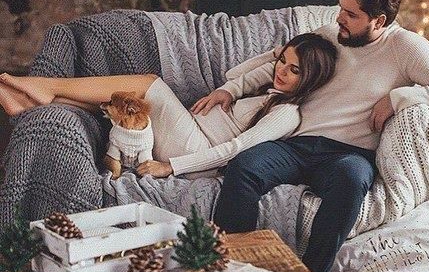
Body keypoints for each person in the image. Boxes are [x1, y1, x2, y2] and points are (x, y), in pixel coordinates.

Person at [196, 0, 429, 272]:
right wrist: (230, 90)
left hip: (349, 155)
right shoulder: (330, 35)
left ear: (378, 21)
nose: (340, 17)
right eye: (341, 7)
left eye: (351, 14)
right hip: (298, 143)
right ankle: (233, 271)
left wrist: (399, 97)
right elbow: (280, 61)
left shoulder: (406, 48)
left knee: (352, 179)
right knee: (244, 166)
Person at [0, 33, 338, 178]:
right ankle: (33, 102)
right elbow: (235, 73)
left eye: (295, 71)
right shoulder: (271, 90)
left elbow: (235, 150)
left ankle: (46, 86)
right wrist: (231, 90)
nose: (281, 71)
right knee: (122, 105)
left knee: (149, 83)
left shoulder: (286, 115)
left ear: (309, 80)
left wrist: (171, 167)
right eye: (283, 61)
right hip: (193, 132)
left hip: (197, 151)